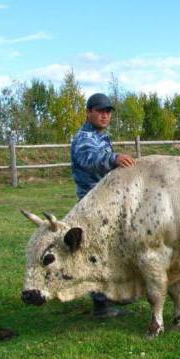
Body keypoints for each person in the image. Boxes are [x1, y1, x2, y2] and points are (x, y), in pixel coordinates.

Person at [70, 93, 136, 318]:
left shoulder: (101, 136)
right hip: (91, 205)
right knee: (96, 252)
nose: (104, 115)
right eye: (99, 111)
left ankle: (114, 293)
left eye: (108, 112)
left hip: (106, 202)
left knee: (113, 248)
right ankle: (101, 304)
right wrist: (113, 159)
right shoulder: (84, 138)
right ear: (89, 112)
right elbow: (91, 159)